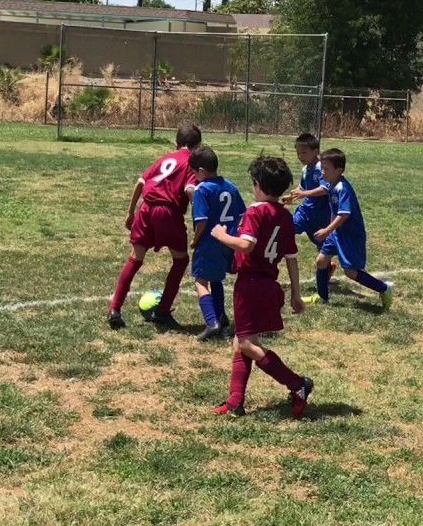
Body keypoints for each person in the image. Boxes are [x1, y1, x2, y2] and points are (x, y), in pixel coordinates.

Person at [210, 155, 314, 418]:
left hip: (250, 285)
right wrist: (296, 294)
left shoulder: (256, 211)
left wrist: (223, 236)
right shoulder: (285, 216)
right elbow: (291, 259)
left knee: (246, 343)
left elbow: (246, 245)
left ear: (257, 185)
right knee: (242, 340)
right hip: (269, 285)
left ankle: (297, 383)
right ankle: (235, 401)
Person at [106, 123, 201, 329]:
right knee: (181, 260)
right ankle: (162, 311)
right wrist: (201, 211)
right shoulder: (192, 162)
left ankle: (114, 308)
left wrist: (131, 212)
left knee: (135, 258)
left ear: (176, 144)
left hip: (146, 208)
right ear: (198, 146)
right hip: (168, 211)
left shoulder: (164, 158)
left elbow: (140, 183)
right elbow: (190, 189)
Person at [309, 148, 394, 308]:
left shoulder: (343, 188)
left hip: (350, 235)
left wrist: (327, 230)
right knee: (321, 261)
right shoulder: (331, 185)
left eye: (326, 169)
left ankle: (384, 288)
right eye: (322, 169)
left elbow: (344, 215)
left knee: (350, 272)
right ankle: (322, 296)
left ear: (339, 170)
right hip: (336, 233)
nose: (322, 174)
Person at [188, 146, 246, 341]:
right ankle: (221, 316)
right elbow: (241, 214)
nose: (194, 177)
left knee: (200, 282)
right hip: (228, 241)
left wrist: (195, 239)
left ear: (201, 171)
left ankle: (211, 321)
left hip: (209, 241)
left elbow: (202, 219)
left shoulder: (201, 190)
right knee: (216, 278)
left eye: (194, 173)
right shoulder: (230, 186)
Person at [282, 133, 334, 301]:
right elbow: (302, 187)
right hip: (305, 212)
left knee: (322, 250)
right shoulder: (305, 170)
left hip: (320, 216)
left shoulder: (321, 168)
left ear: (316, 151)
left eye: (304, 153)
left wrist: (304, 193)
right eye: (298, 153)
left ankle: (327, 268)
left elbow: (324, 189)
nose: (300, 157)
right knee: (287, 229)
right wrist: (293, 196)